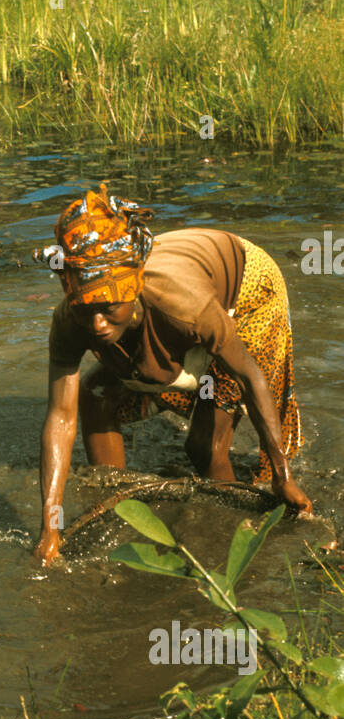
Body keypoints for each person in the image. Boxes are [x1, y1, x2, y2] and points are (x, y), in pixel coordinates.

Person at [34, 183, 312, 566]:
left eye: (108, 308)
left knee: (204, 448)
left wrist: (282, 473)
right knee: (95, 395)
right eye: (85, 309)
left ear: (131, 292)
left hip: (246, 286)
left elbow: (251, 378)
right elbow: (60, 417)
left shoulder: (186, 308)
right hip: (183, 272)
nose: (96, 325)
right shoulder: (73, 320)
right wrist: (51, 526)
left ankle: (228, 545)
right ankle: (118, 506)